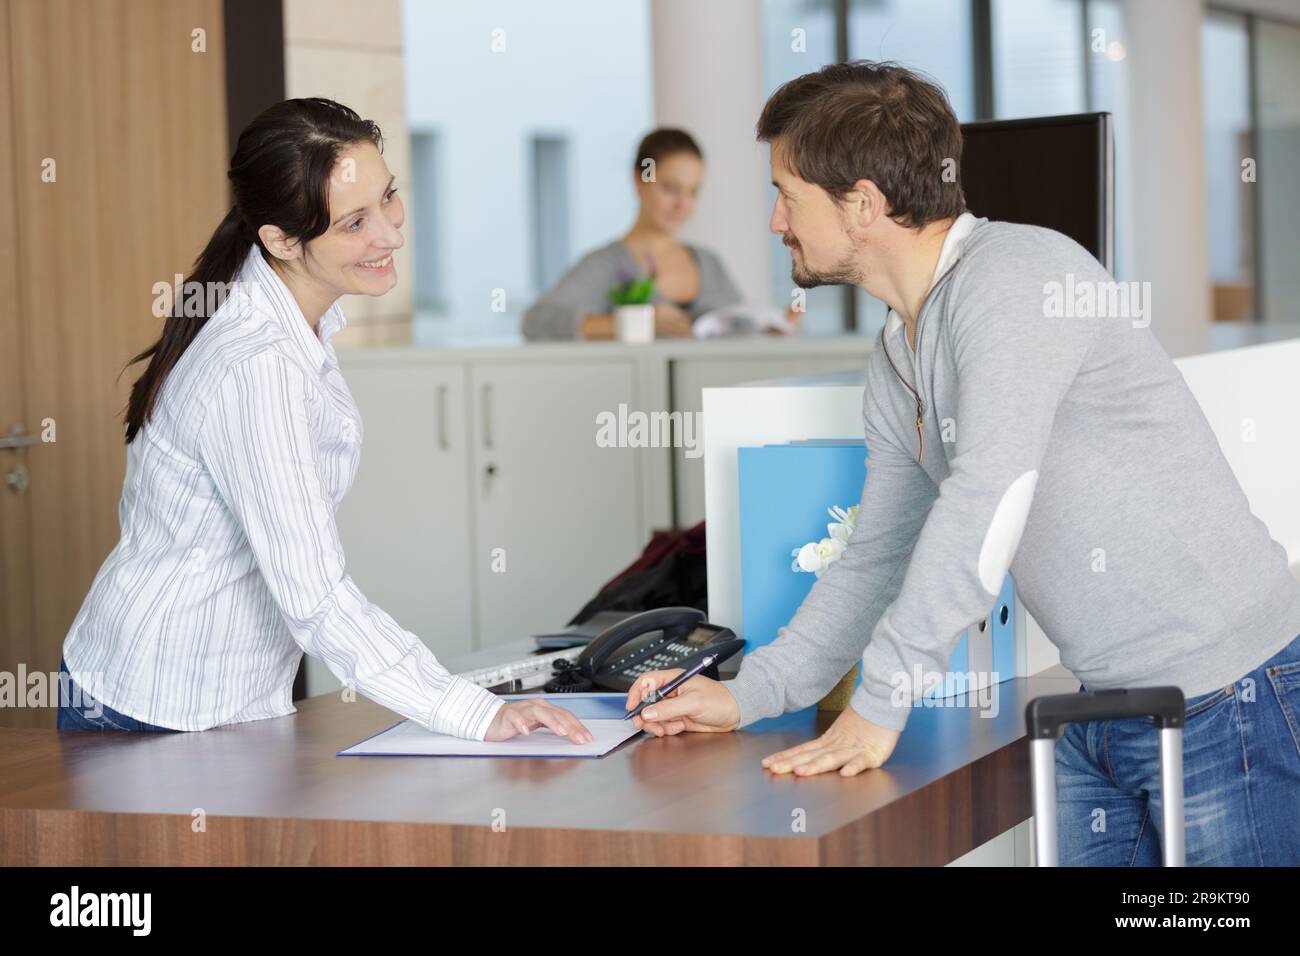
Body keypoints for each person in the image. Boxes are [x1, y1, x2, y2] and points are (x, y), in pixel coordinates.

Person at [622, 61, 1300, 866]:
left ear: (863, 204)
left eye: (788, 196)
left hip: (1229, 697)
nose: (775, 222)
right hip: (1104, 705)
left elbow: (988, 499)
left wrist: (880, 705)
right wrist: (752, 695)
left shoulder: (1016, 282)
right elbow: (877, 553)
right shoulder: (899, 351)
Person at [57, 98, 591, 745]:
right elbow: (314, 595)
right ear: (280, 240)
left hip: (220, 695)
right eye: (354, 223)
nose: (391, 234)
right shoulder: (257, 366)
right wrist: (474, 711)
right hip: (156, 700)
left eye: (389, 198)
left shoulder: (292, 322)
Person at [523, 128, 753, 340]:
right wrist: (633, 323)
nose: (682, 204)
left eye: (693, 192)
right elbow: (536, 322)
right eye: (670, 188)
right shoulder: (607, 264)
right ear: (639, 179)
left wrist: (776, 326)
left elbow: (745, 327)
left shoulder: (709, 263)